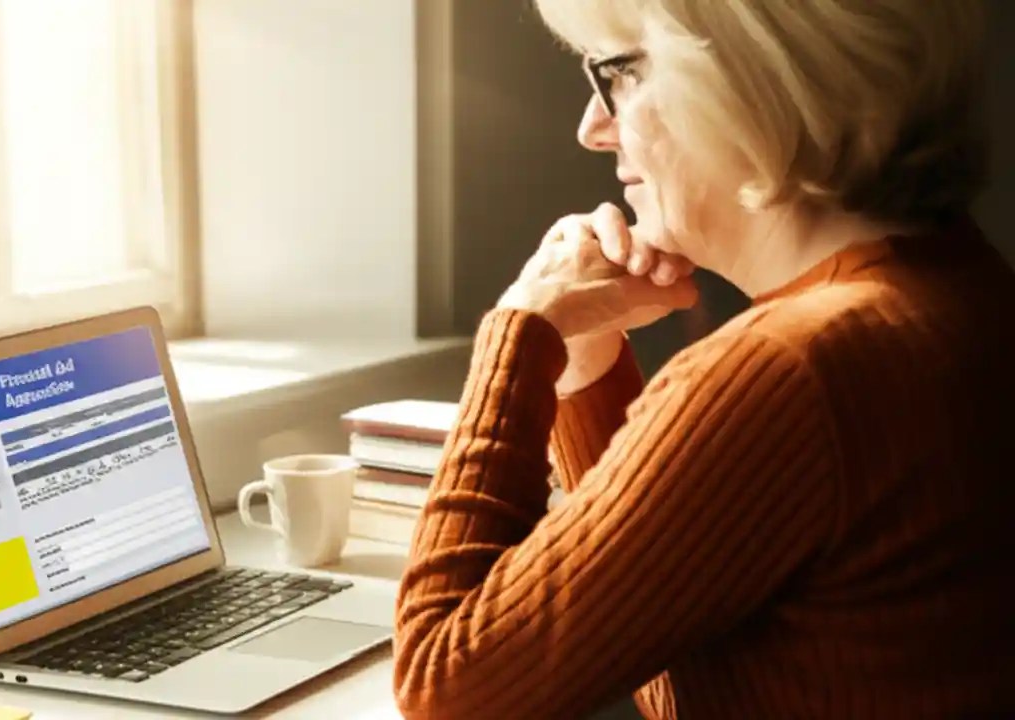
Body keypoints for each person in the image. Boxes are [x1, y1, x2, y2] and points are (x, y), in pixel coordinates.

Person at [392, 1, 1015, 718]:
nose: (593, 129)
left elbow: (444, 690)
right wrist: (585, 371)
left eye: (614, 74)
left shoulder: (789, 370)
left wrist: (521, 332)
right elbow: (676, 647)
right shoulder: (958, 284)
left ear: (745, 79)